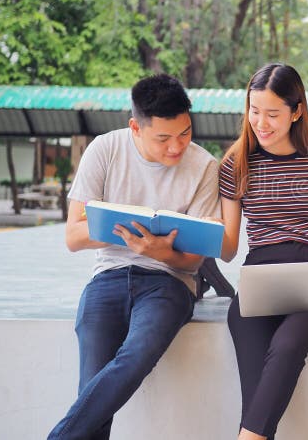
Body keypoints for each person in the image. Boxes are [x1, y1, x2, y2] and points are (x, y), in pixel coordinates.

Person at [48, 74, 221, 439]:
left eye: (185, 133)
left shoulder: (205, 166)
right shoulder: (104, 150)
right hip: (107, 278)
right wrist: (130, 233)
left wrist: (162, 252)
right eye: (164, 138)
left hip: (169, 284)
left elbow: (194, 260)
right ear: (136, 128)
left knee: (135, 355)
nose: (177, 147)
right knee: (93, 381)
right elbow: (73, 235)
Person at [218, 63, 308, 440]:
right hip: (259, 281)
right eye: (254, 110)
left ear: (296, 112)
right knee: (256, 381)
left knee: (288, 343)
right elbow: (229, 247)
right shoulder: (235, 163)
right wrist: (187, 237)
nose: (261, 122)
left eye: (273, 114)